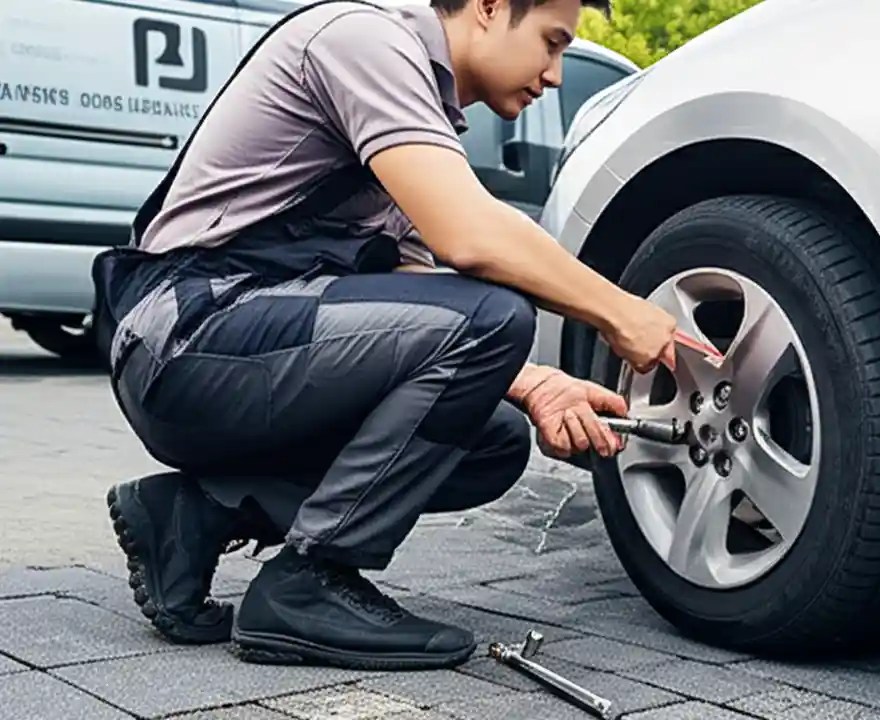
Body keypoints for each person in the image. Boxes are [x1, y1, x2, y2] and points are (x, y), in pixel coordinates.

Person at [92, 0, 678, 671]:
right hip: (186, 338)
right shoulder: (366, 41)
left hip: (240, 345)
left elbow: (418, 314)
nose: (553, 74)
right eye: (551, 42)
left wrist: (536, 382)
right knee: (494, 314)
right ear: (488, 8)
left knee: (490, 440)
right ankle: (311, 584)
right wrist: (621, 312)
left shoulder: (414, 115)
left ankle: (196, 516)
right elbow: (471, 241)